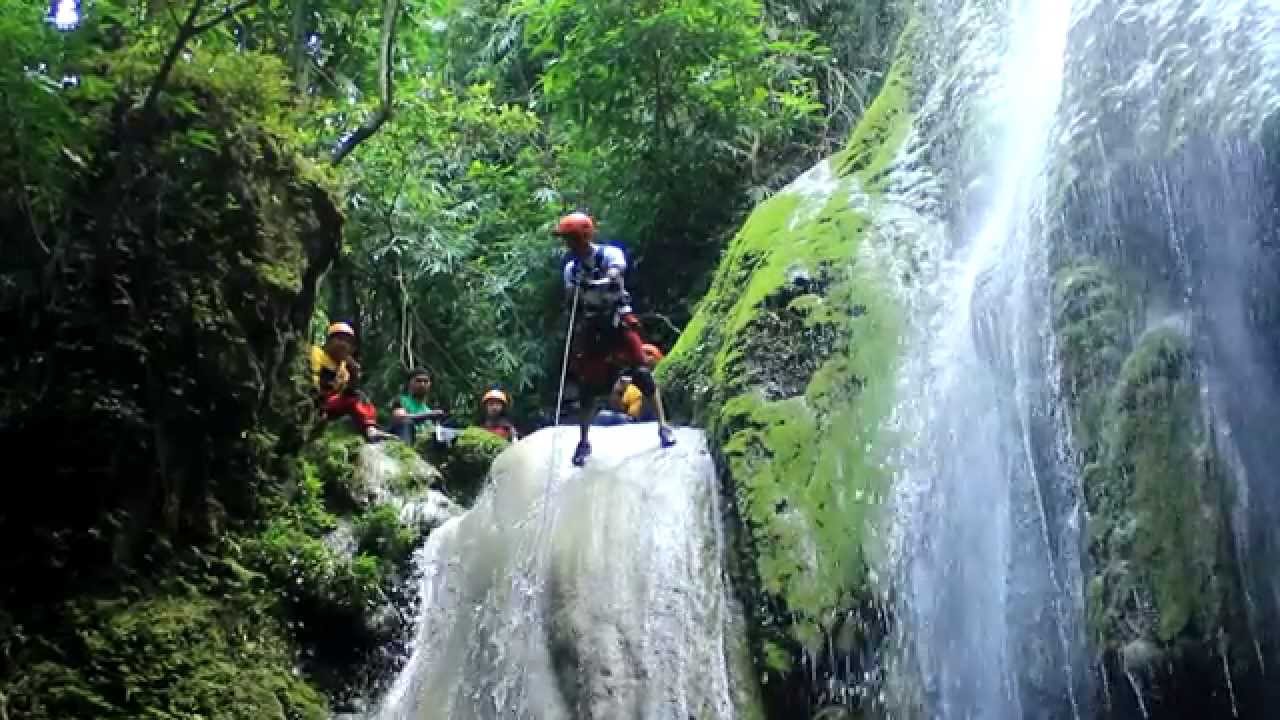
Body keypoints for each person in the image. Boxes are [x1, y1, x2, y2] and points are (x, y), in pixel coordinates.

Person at [553, 211, 675, 466]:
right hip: (592, 329)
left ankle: (663, 425)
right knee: (588, 388)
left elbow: (616, 274)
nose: (569, 245)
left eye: (571, 239)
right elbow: (569, 299)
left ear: (583, 237)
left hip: (617, 323)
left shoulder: (609, 254)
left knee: (641, 373)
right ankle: (583, 440)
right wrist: (575, 295)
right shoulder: (571, 269)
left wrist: (600, 282)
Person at [311, 322, 393, 443]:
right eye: (339, 339)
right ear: (328, 341)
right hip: (314, 401)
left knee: (360, 396)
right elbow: (312, 382)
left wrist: (354, 375)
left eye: (348, 342)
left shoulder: (344, 368)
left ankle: (370, 429)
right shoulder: (316, 353)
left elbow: (347, 394)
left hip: (331, 405)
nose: (343, 345)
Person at [389, 368, 446, 443]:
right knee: (406, 422)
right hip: (404, 439)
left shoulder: (428, 410)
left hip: (422, 445)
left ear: (430, 384)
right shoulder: (401, 400)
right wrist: (427, 415)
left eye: (426, 381)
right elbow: (400, 418)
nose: (422, 384)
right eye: (418, 381)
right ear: (410, 383)